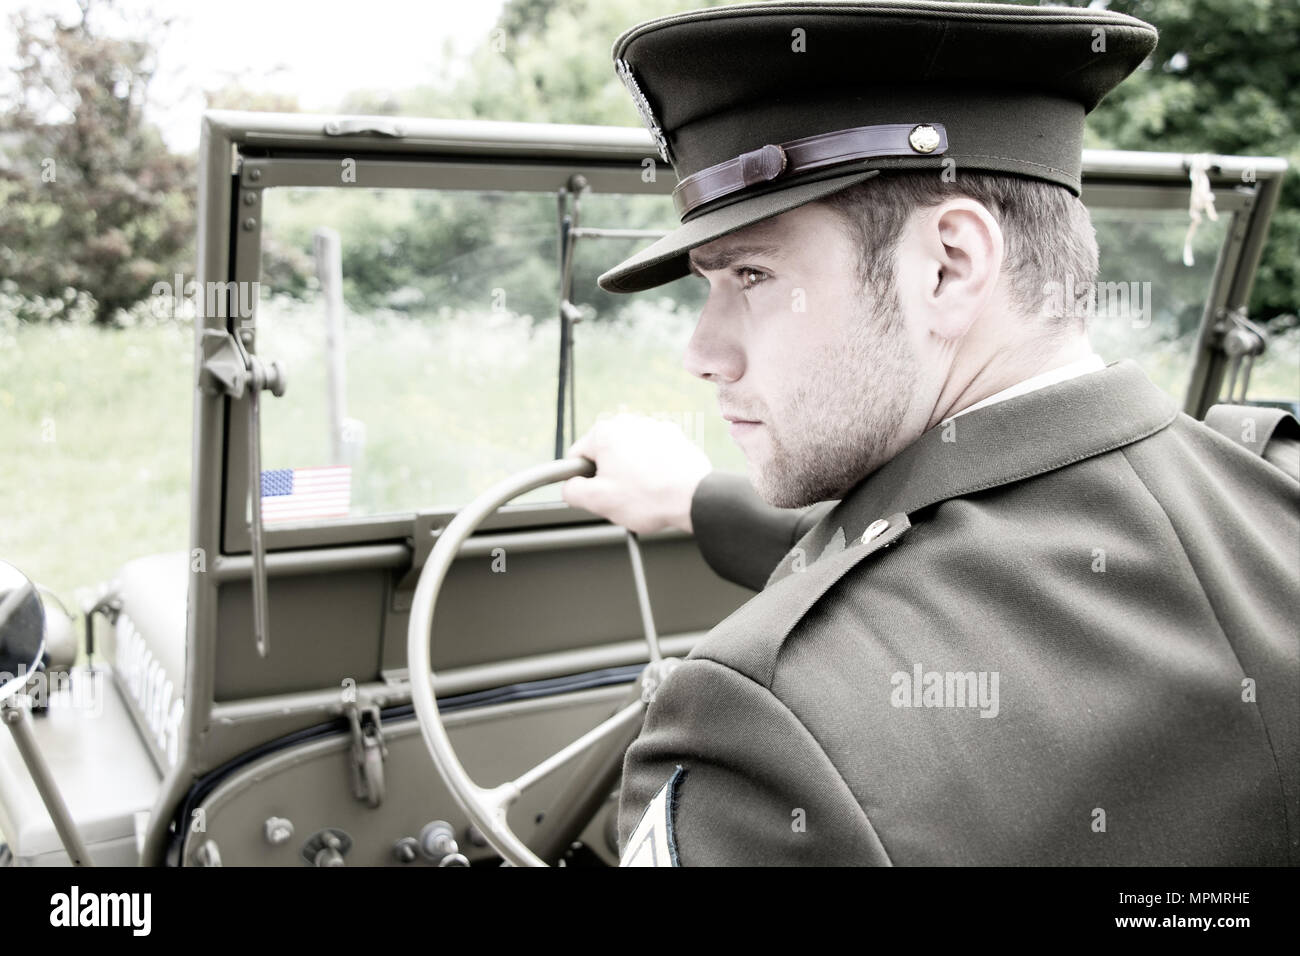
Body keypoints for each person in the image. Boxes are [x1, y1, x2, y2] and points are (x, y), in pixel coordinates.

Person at [561, 0, 1300, 865]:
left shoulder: (768, 729)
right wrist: (689, 499)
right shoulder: (1273, 496)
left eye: (752, 276)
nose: (703, 353)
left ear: (949, 266)